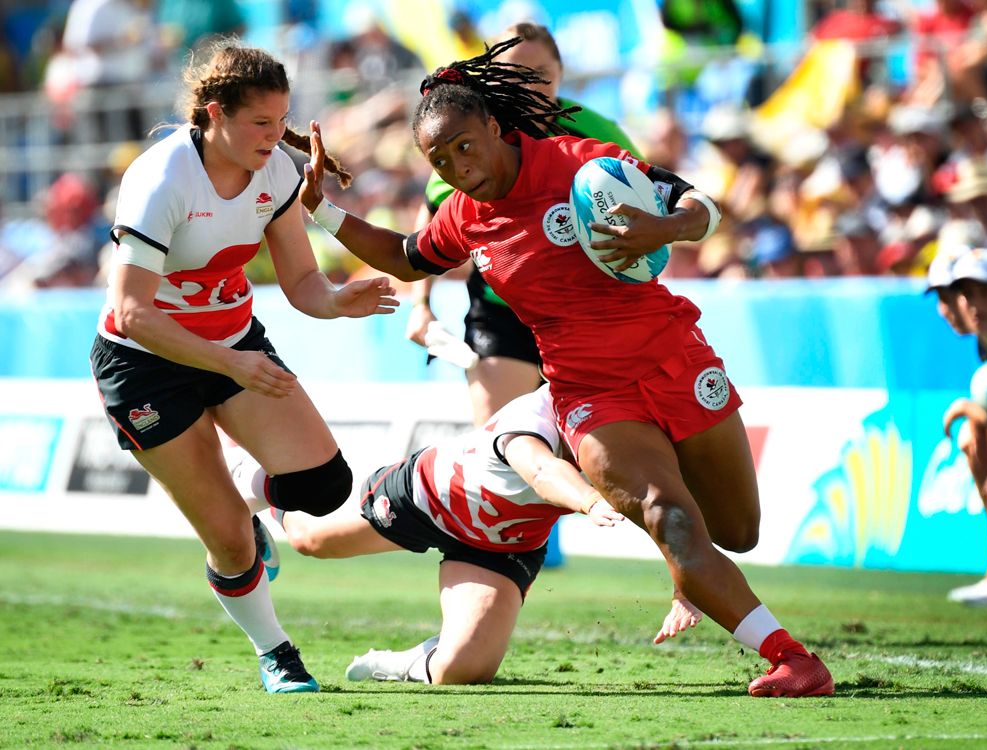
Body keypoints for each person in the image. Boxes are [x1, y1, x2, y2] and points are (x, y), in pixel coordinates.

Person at [301, 38, 834, 697]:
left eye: (464, 147)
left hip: (673, 358)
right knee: (670, 519)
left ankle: (698, 572)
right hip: (589, 393)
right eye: (439, 160)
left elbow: (700, 204)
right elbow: (408, 255)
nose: (457, 168)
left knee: (737, 532)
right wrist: (320, 208)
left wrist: (660, 230)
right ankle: (793, 659)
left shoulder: (582, 164)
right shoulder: (467, 217)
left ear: (495, 128)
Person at [88, 40, 398, 693]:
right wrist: (232, 362)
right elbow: (133, 314)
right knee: (231, 542)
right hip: (142, 366)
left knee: (325, 487)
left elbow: (304, 282)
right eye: (261, 123)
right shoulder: (159, 178)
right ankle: (276, 654)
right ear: (212, 113)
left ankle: (249, 485)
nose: (275, 136)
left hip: (232, 343)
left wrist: (339, 301)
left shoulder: (277, 172)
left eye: (282, 120)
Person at [234, 384, 635, 684]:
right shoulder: (536, 414)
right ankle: (251, 481)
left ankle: (393, 663)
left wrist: (682, 586)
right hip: (425, 499)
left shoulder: (628, 419)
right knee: (309, 539)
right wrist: (590, 501)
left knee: (462, 669)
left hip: (499, 545)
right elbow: (544, 472)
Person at [405, 22, 642, 429]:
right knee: (500, 447)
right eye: (516, 74)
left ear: (561, 73)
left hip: (585, 314)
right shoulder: (473, 133)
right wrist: (420, 305)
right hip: (503, 313)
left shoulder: (596, 131)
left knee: (583, 451)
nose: (530, 87)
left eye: (541, 76)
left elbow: (648, 198)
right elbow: (432, 214)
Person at [943, 247, 987, 606]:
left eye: (986, 291)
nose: (974, 303)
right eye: (968, 294)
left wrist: (971, 408)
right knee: (974, 435)